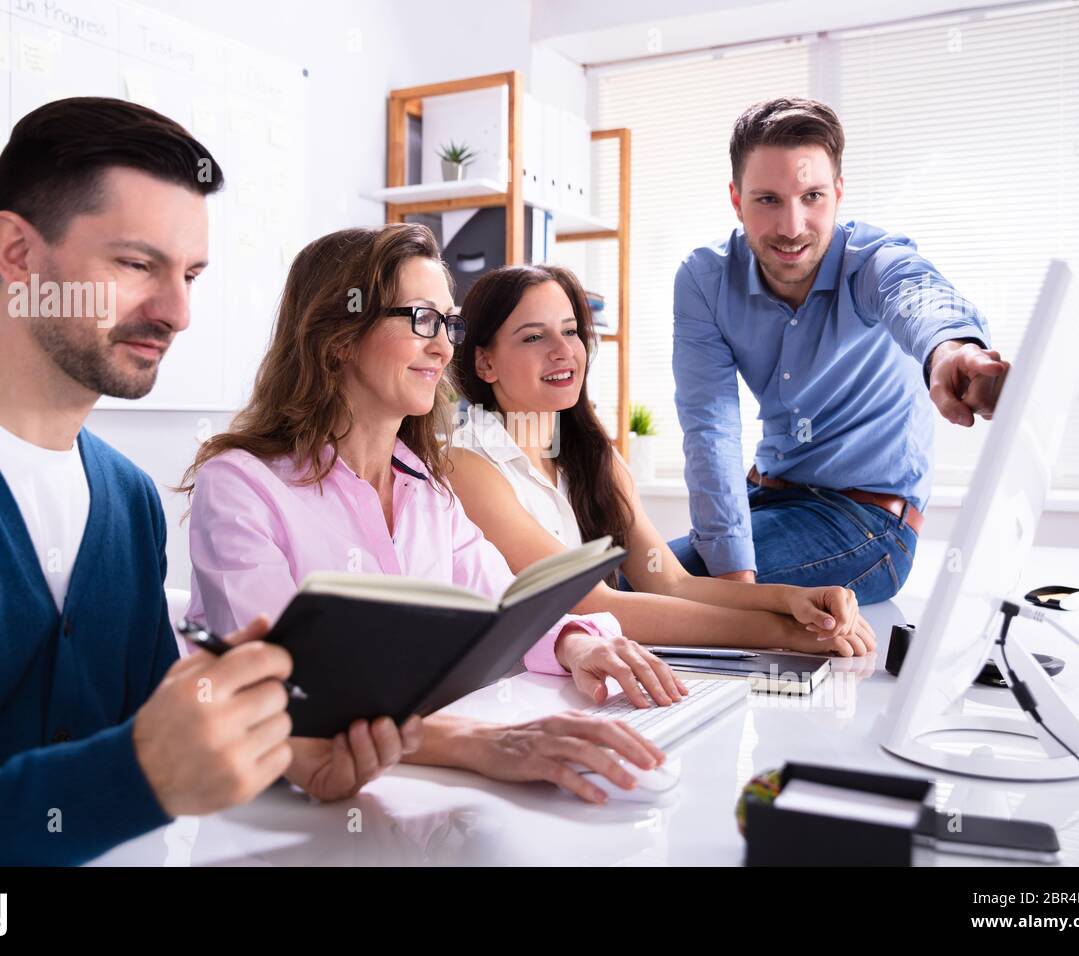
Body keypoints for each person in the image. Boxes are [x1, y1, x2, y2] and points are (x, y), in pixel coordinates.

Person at [0, 98, 297, 865]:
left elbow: (151, 743)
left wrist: (278, 740)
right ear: (17, 253)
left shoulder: (129, 502)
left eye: (190, 274)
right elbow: (130, 772)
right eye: (136, 265)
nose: (177, 311)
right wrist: (131, 778)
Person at [181, 223, 682, 806]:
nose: (444, 348)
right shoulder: (243, 484)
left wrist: (577, 642)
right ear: (341, 336)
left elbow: (504, 605)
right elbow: (296, 690)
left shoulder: (429, 491)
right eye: (421, 319)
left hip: (418, 793)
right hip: (283, 814)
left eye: (449, 324)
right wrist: (483, 744)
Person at [670, 97, 1006, 602]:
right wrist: (735, 590)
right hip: (765, 498)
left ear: (838, 194)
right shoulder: (704, 279)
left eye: (812, 196)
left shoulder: (871, 262)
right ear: (736, 200)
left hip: (867, 523)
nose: (791, 226)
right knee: (618, 581)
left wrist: (949, 348)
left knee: (640, 591)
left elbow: (917, 295)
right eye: (767, 200)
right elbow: (710, 428)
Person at [446, 264, 875, 657]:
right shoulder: (468, 464)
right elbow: (592, 604)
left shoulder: (593, 459)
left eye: (571, 331)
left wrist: (792, 600)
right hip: (509, 695)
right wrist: (785, 633)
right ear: (485, 363)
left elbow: (671, 582)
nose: (564, 351)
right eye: (534, 337)